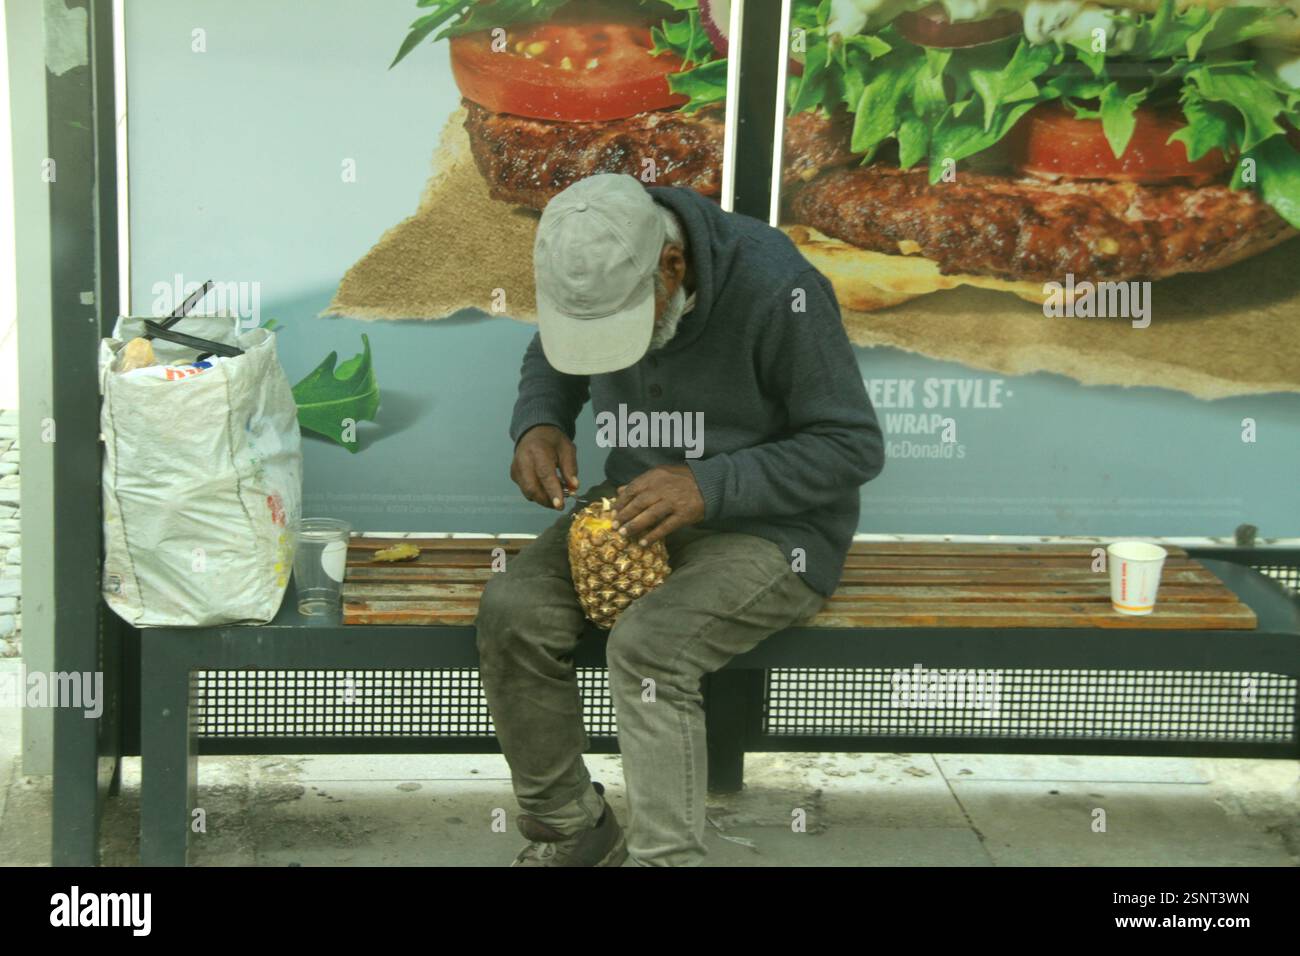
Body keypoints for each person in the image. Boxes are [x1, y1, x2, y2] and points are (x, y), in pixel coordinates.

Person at [475, 172, 884, 867]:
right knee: (512, 609)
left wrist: (709, 484)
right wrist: (538, 421)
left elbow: (851, 445)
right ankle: (572, 826)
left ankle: (668, 859)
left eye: (620, 328)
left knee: (650, 647)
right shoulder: (592, 266)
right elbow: (552, 354)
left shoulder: (778, 284)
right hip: (635, 504)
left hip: (774, 531)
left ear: (673, 266)